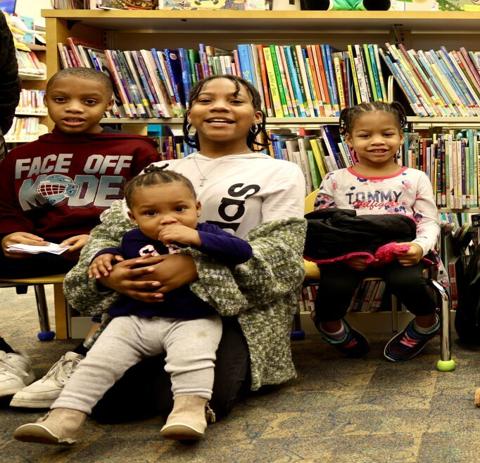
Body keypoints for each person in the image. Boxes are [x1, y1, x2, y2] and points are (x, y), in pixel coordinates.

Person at [60, 73, 305, 422]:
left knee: (201, 397)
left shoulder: (280, 172)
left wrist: (196, 268)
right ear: (190, 114)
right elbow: (108, 234)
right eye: (206, 100)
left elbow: (282, 255)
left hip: (234, 309)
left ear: (256, 116)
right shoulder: (159, 169)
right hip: (146, 305)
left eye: (235, 101)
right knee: (108, 407)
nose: (219, 107)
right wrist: (110, 272)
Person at [14, 169, 251, 444]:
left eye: (180, 209)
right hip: (134, 318)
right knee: (98, 362)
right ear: (133, 217)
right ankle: (64, 418)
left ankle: (189, 413)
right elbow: (114, 251)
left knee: (192, 360)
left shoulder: (206, 232)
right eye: (151, 213)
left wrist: (197, 239)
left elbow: (242, 251)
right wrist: (103, 258)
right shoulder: (131, 238)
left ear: (197, 208)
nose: (168, 218)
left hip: (193, 319)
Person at [0, 67, 159, 408]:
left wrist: (97, 238)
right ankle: (3, 356)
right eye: (61, 99)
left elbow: (152, 207)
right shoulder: (18, 157)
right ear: (46, 101)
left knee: (145, 260)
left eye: (89, 101)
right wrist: (9, 234)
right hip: (38, 249)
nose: (74, 108)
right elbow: (5, 207)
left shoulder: (136, 149)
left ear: (109, 105)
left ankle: (86, 354)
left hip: (105, 247)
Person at [310, 100, 442, 362]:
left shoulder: (415, 178)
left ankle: (426, 323)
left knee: (408, 281)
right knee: (334, 284)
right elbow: (322, 224)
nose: (378, 141)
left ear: (401, 137)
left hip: (399, 247)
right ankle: (330, 325)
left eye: (387, 133)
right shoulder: (335, 179)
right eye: (365, 135)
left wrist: (419, 247)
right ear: (349, 139)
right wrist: (343, 254)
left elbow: (428, 221)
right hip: (348, 250)